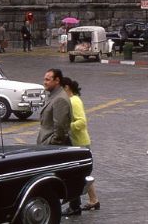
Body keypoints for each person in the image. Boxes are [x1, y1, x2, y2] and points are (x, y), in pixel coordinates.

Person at [61, 78, 100, 215]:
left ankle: (88, 202)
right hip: (79, 142)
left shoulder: (74, 101)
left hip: (79, 143)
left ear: (67, 88)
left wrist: (66, 126)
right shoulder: (73, 100)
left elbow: (82, 122)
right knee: (84, 174)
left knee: (81, 174)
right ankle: (94, 200)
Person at [38, 68, 72, 146]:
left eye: (47, 80)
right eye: (44, 80)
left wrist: (51, 143)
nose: (44, 83)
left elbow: (60, 127)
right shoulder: (54, 95)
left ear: (57, 80)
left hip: (52, 148)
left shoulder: (60, 99)